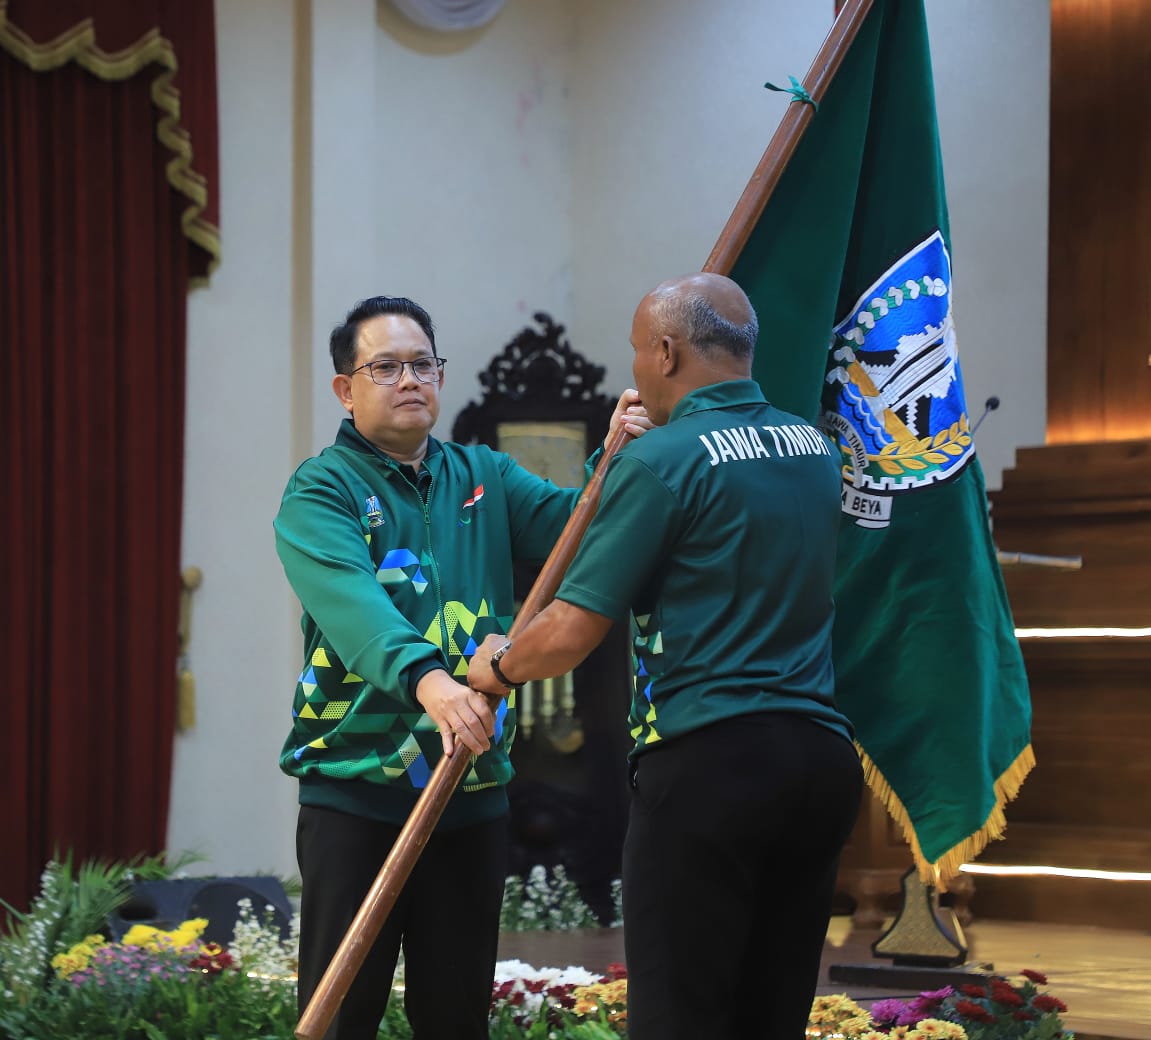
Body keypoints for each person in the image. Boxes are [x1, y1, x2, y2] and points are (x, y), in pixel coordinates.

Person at [468, 272, 864, 1040]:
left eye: (637, 353)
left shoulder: (663, 462)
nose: (635, 372)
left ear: (666, 350)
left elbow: (573, 630)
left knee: (678, 1017)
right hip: (817, 759)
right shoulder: (814, 449)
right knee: (769, 1014)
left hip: (711, 761)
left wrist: (496, 667)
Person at [273, 294, 650, 1040]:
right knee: (342, 1014)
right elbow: (356, 611)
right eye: (385, 366)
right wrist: (437, 686)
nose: (409, 379)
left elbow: (575, 530)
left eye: (422, 364)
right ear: (346, 389)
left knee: (454, 1019)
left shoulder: (483, 474)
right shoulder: (321, 491)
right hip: (357, 796)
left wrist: (613, 457)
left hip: (468, 793)